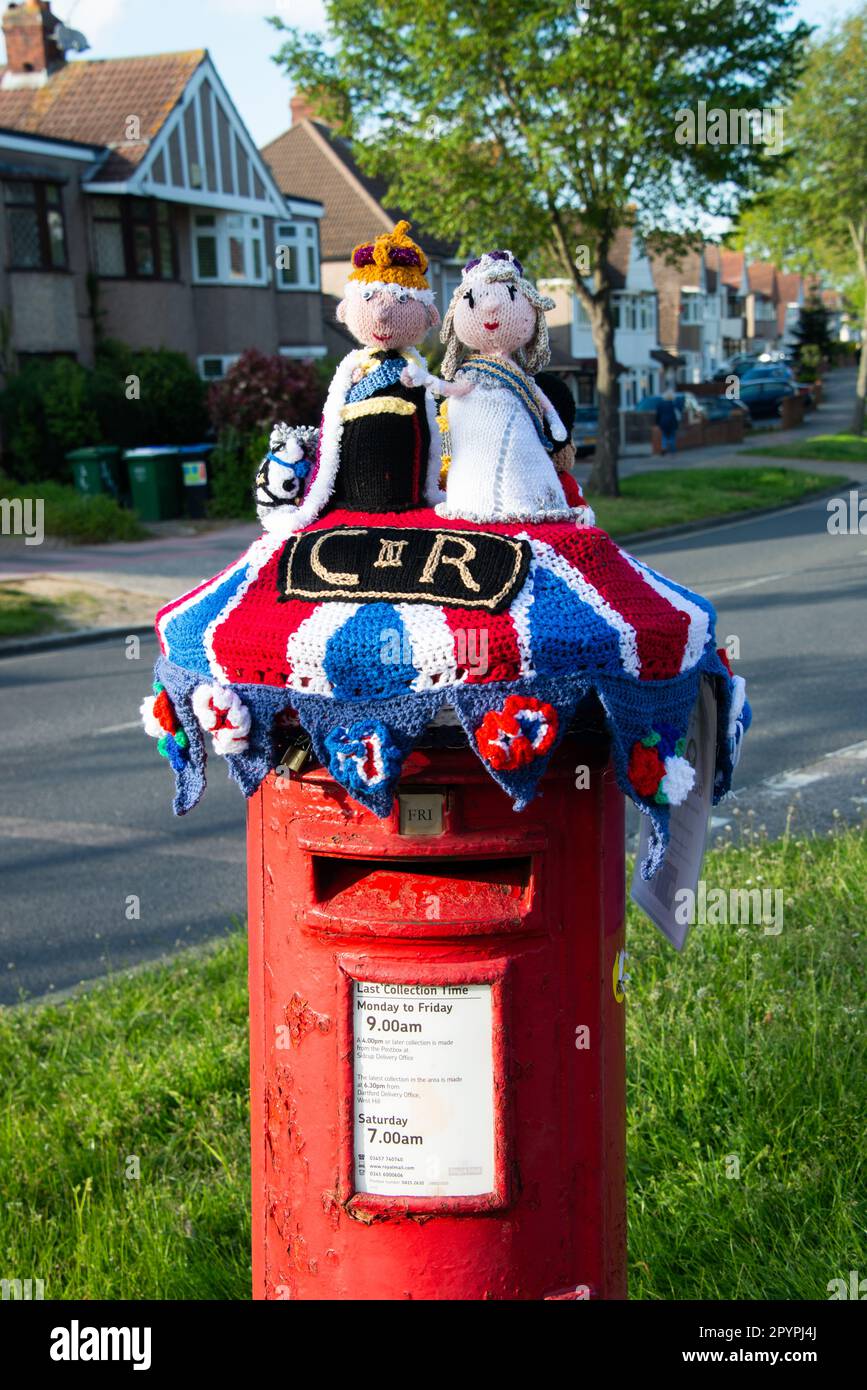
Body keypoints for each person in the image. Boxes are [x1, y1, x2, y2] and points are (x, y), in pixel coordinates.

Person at [655, 388, 681, 455]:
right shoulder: (673, 404)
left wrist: (657, 423)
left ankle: (664, 448)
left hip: (663, 423)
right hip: (671, 422)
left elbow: (658, 415)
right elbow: (676, 415)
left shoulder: (660, 404)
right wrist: (677, 424)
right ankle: (673, 450)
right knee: (672, 436)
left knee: (664, 436)